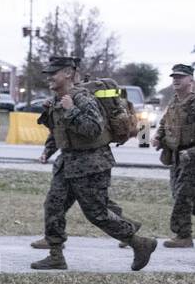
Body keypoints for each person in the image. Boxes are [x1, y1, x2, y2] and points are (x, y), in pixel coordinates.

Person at [30, 56, 156, 271]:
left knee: (96, 213)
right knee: (53, 206)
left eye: (54, 73)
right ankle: (55, 256)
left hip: (91, 163)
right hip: (67, 162)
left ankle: (139, 242)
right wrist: (48, 151)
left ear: (68, 73)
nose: (49, 77)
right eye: (48, 74)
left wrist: (71, 110)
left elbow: (93, 129)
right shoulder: (59, 98)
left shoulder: (82, 98)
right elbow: (59, 131)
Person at [152, 63, 195, 248]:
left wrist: (191, 152)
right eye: (174, 77)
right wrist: (157, 137)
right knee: (181, 195)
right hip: (177, 156)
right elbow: (164, 122)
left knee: (182, 196)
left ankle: (183, 236)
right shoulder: (174, 101)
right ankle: (184, 234)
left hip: (191, 156)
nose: (176, 80)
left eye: (180, 77)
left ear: (191, 80)